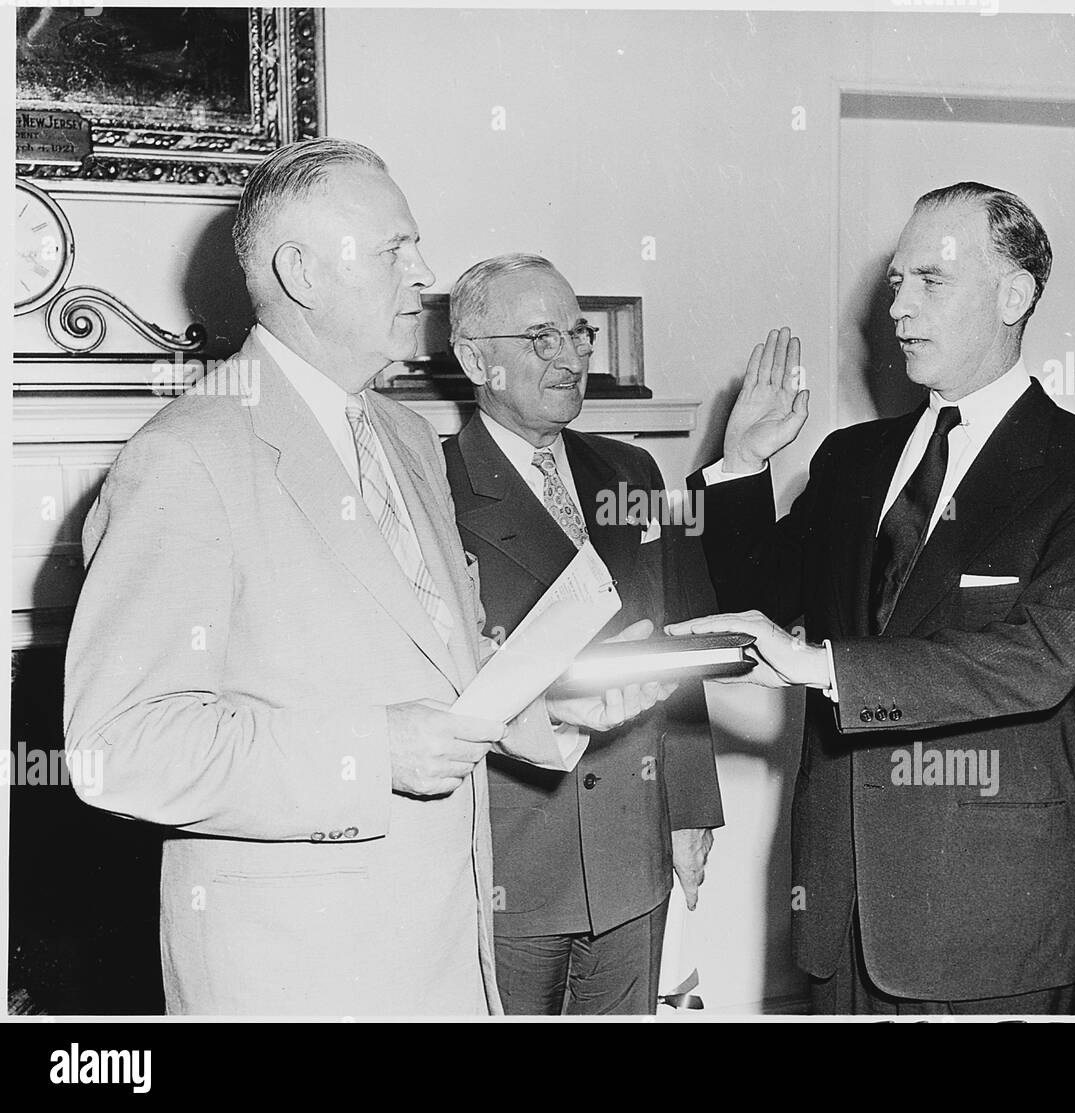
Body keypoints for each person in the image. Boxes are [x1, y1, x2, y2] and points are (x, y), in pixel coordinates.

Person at [62, 139, 670, 1016]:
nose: (423, 274)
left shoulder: (407, 438)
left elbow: (428, 671)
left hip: (448, 955)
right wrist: (371, 749)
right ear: (301, 273)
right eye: (395, 249)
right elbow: (116, 748)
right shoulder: (185, 457)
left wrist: (547, 702)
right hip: (298, 974)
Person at [671, 182, 1075, 1014]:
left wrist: (820, 665)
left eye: (929, 281)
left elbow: (1041, 659)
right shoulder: (851, 459)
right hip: (837, 906)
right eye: (896, 281)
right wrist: (744, 467)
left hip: (985, 921)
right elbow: (761, 602)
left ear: (1015, 295)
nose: (898, 307)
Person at [442, 254, 724, 1014]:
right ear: (474, 358)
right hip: (509, 865)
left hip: (632, 856)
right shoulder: (429, 489)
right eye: (541, 338)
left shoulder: (630, 471)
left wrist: (691, 806)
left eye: (579, 334)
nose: (570, 358)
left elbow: (678, 642)